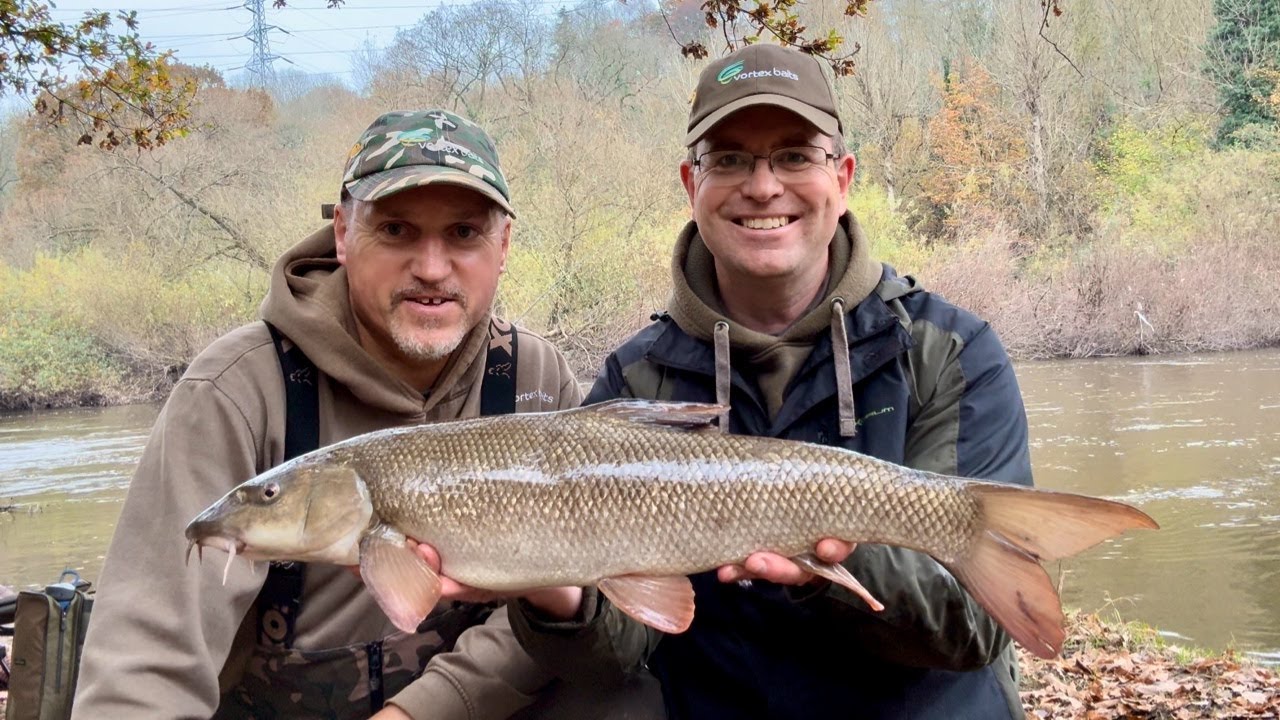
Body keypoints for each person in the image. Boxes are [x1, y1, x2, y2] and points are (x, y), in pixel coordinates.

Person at [504, 44, 1035, 720]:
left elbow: (978, 626)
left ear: (841, 179)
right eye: (728, 159)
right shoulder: (633, 379)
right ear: (691, 185)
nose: (762, 186)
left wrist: (833, 562)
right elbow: (614, 658)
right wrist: (561, 598)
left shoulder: (949, 352)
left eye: (793, 155)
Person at [71, 109, 584, 720]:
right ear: (343, 234)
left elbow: (564, 610)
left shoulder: (534, 377)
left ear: (503, 247)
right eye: (395, 230)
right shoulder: (236, 391)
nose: (431, 267)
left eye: (464, 234)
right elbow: (146, 664)